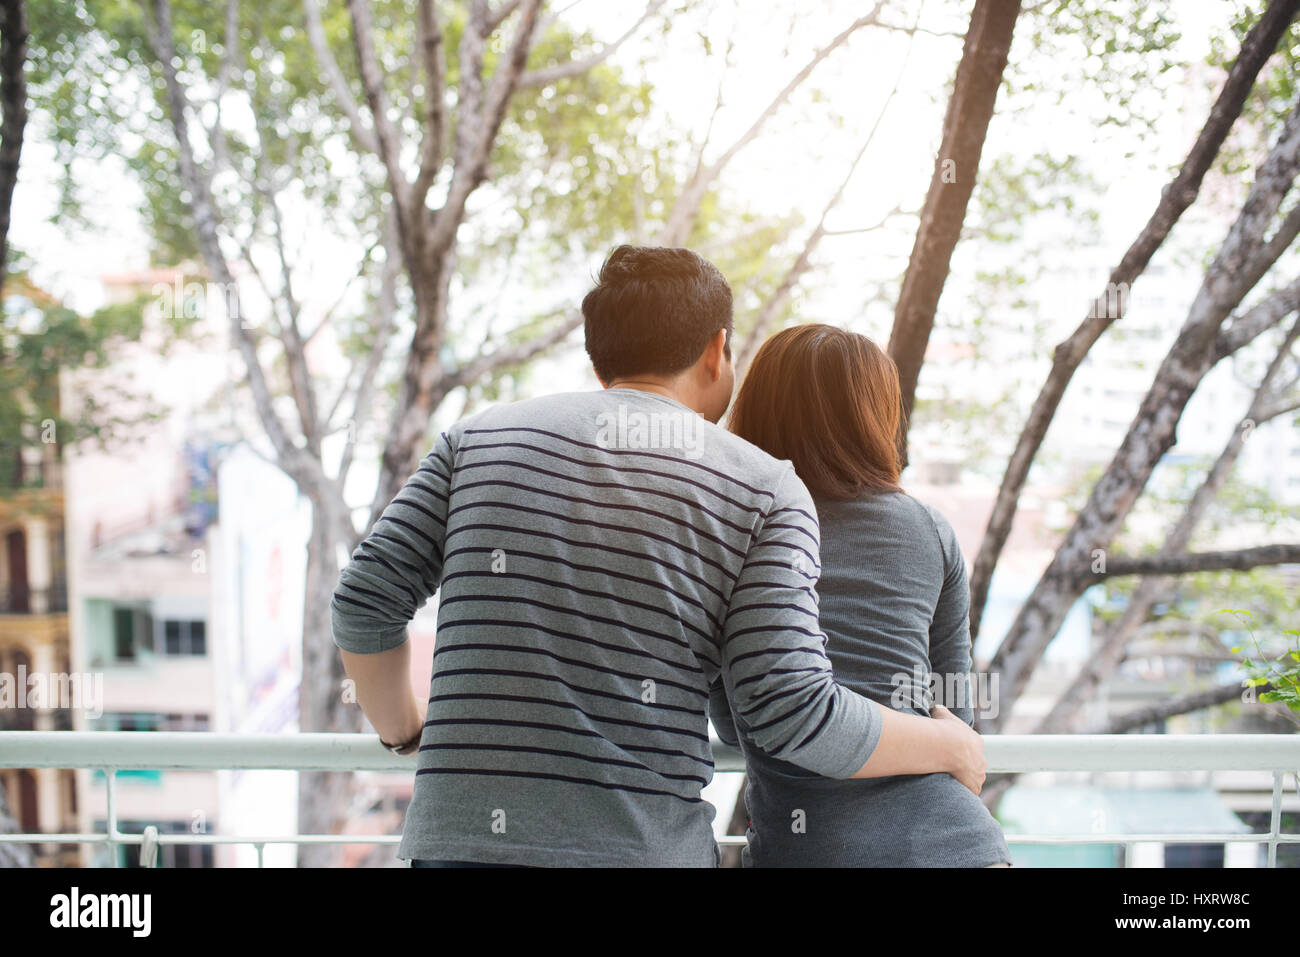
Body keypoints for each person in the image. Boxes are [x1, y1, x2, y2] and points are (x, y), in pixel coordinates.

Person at [330, 247, 985, 868]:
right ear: (715, 351)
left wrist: (406, 731)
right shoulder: (759, 484)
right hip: (642, 848)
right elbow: (789, 711)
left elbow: (364, 604)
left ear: (599, 357)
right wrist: (950, 742)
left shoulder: (476, 441)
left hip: (463, 842)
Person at [723, 323, 1011, 867]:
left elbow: (736, 720)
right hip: (958, 846)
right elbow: (954, 713)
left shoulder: (739, 531)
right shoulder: (928, 529)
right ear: (873, 415)